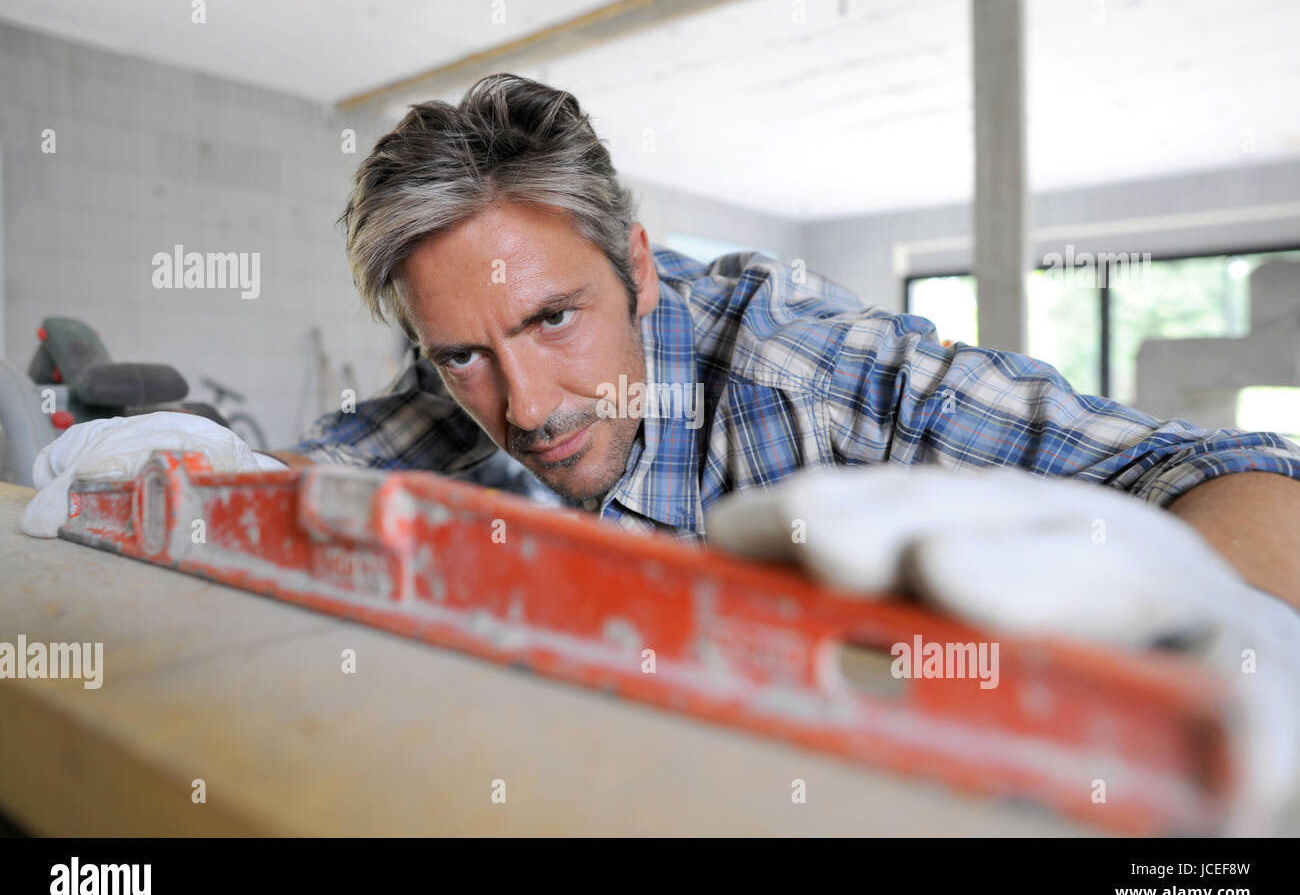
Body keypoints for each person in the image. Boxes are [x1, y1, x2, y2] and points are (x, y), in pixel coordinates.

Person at [267, 73, 1300, 612]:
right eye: (463, 355)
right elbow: (305, 475)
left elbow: (1234, 471)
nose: (528, 407)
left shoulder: (814, 376)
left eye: (554, 319)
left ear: (635, 267)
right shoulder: (462, 367)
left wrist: (1178, 628)